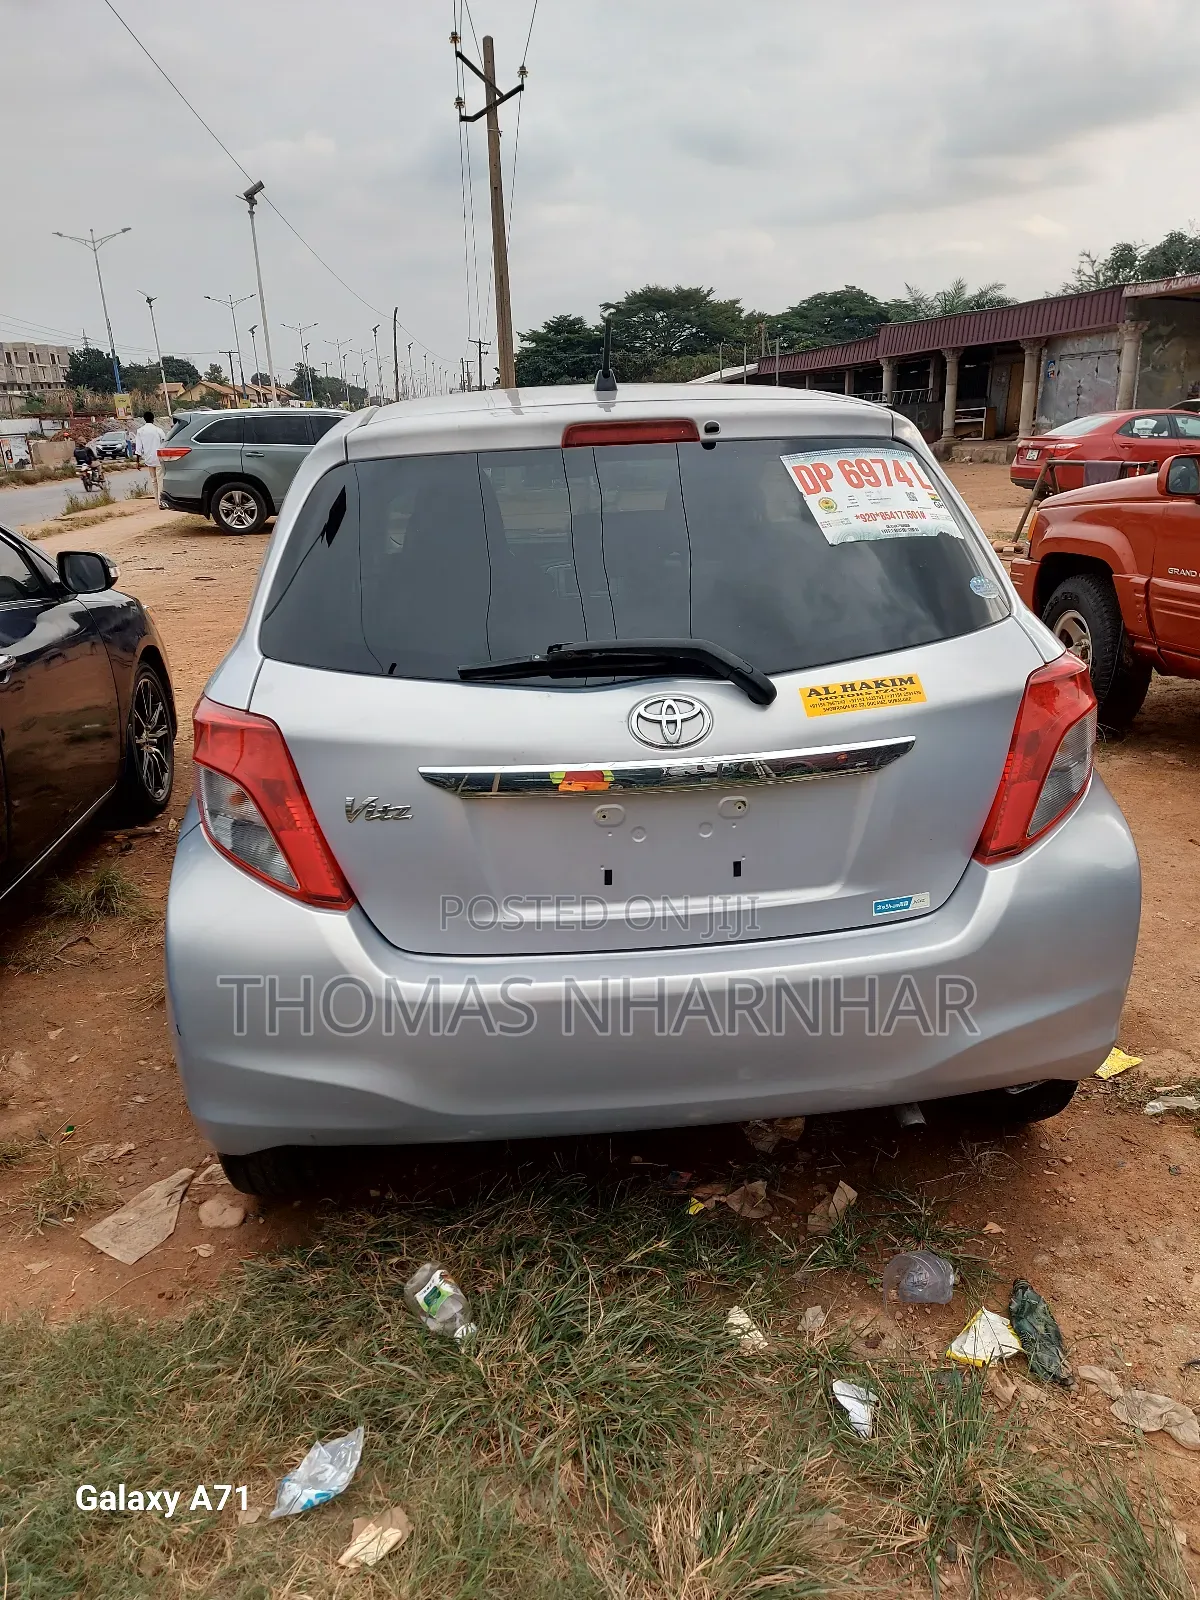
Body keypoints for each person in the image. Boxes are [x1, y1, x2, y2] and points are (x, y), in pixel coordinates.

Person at [135, 409, 166, 506]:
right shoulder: (158, 430)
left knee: (153, 481)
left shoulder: (140, 431)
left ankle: (157, 501)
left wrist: (137, 462)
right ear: (153, 419)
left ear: (144, 419)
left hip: (148, 458)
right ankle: (161, 501)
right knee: (160, 479)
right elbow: (165, 442)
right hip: (159, 458)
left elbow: (138, 448)